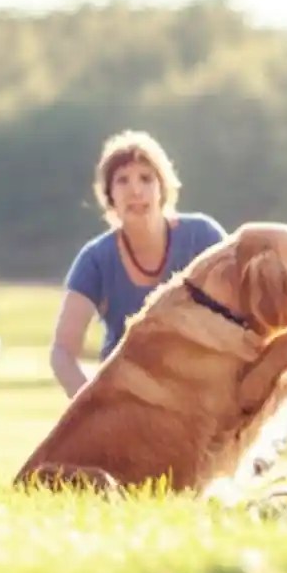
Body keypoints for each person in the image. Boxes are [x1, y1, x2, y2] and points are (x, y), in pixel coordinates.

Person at [49, 130, 226, 398]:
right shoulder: (95, 260)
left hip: (202, 394)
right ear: (109, 195)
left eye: (146, 178)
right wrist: (94, 407)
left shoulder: (203, 237)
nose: (135, 190)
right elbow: (62, 351)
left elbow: (246, 316)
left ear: (162, 189)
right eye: (122, 181)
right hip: (128, 401)